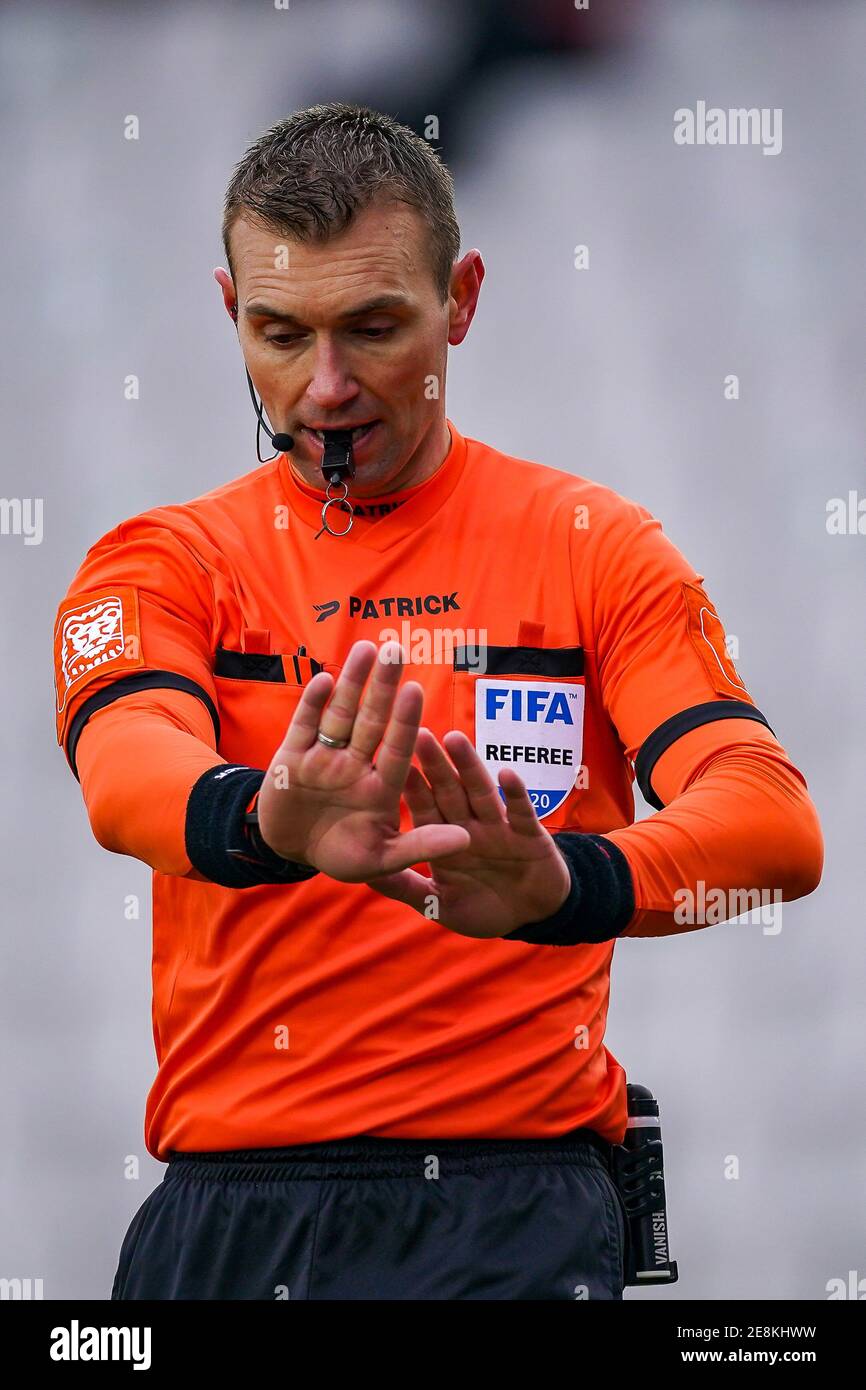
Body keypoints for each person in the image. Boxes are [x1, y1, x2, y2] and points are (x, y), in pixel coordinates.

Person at [52, 102, 823, 1301]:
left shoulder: (594, 549)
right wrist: (264, 821)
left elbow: (773, 824)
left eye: (373, 328)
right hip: (231, 1217)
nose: (324, 388)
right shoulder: (163, 560)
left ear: (460, 299)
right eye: (278, 332)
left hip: (511, 1207)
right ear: (227, 312)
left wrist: (572, 886)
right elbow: (124, 772)